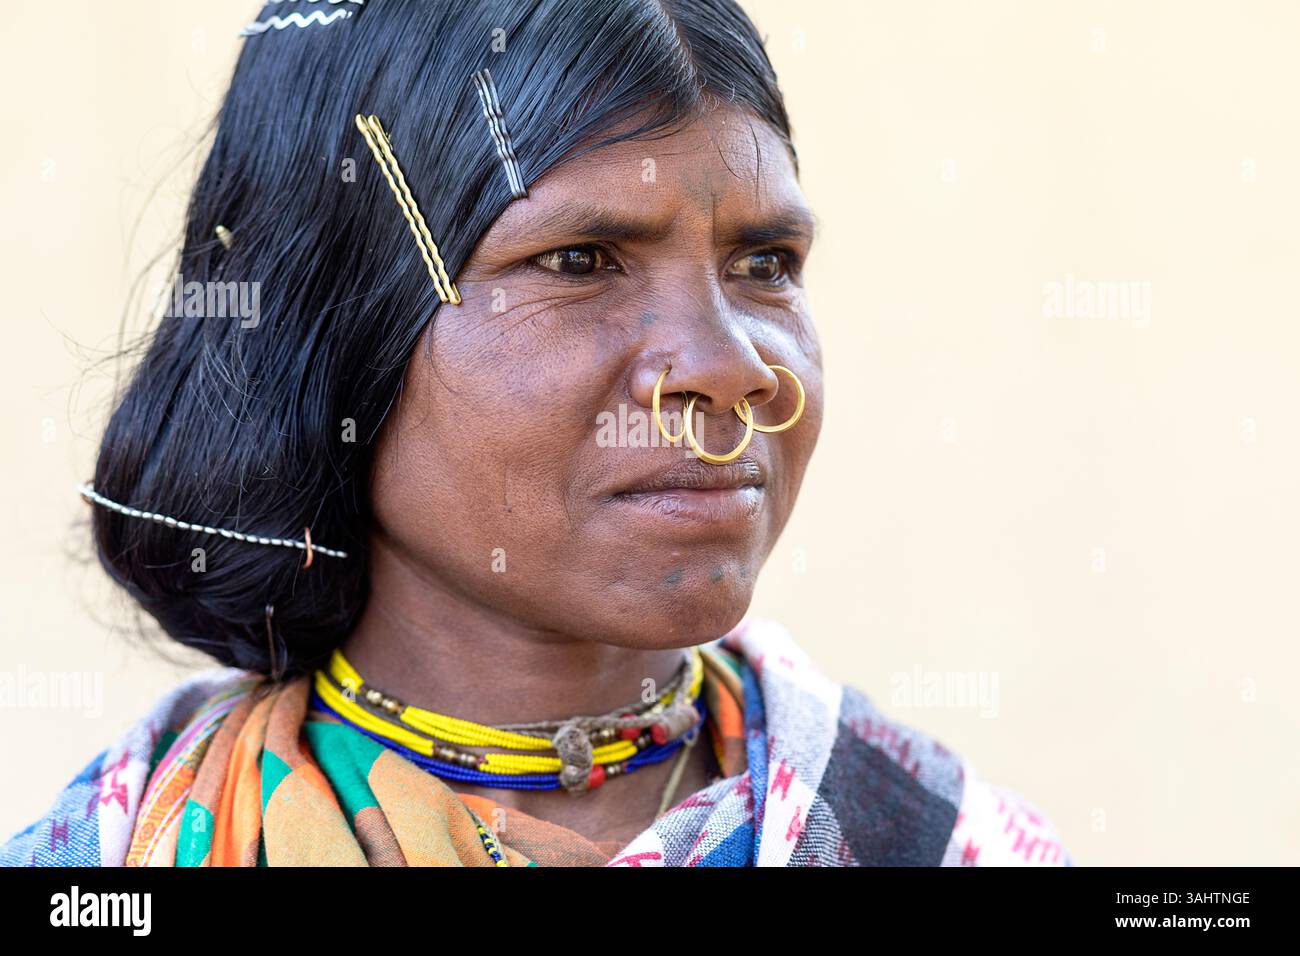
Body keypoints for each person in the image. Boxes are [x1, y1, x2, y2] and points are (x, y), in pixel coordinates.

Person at [1, 0, 1070, 867]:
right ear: (327, 322)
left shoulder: (935, 840)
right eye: (580, 260)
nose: (731, 366)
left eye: (764, 263)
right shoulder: (119, 859)